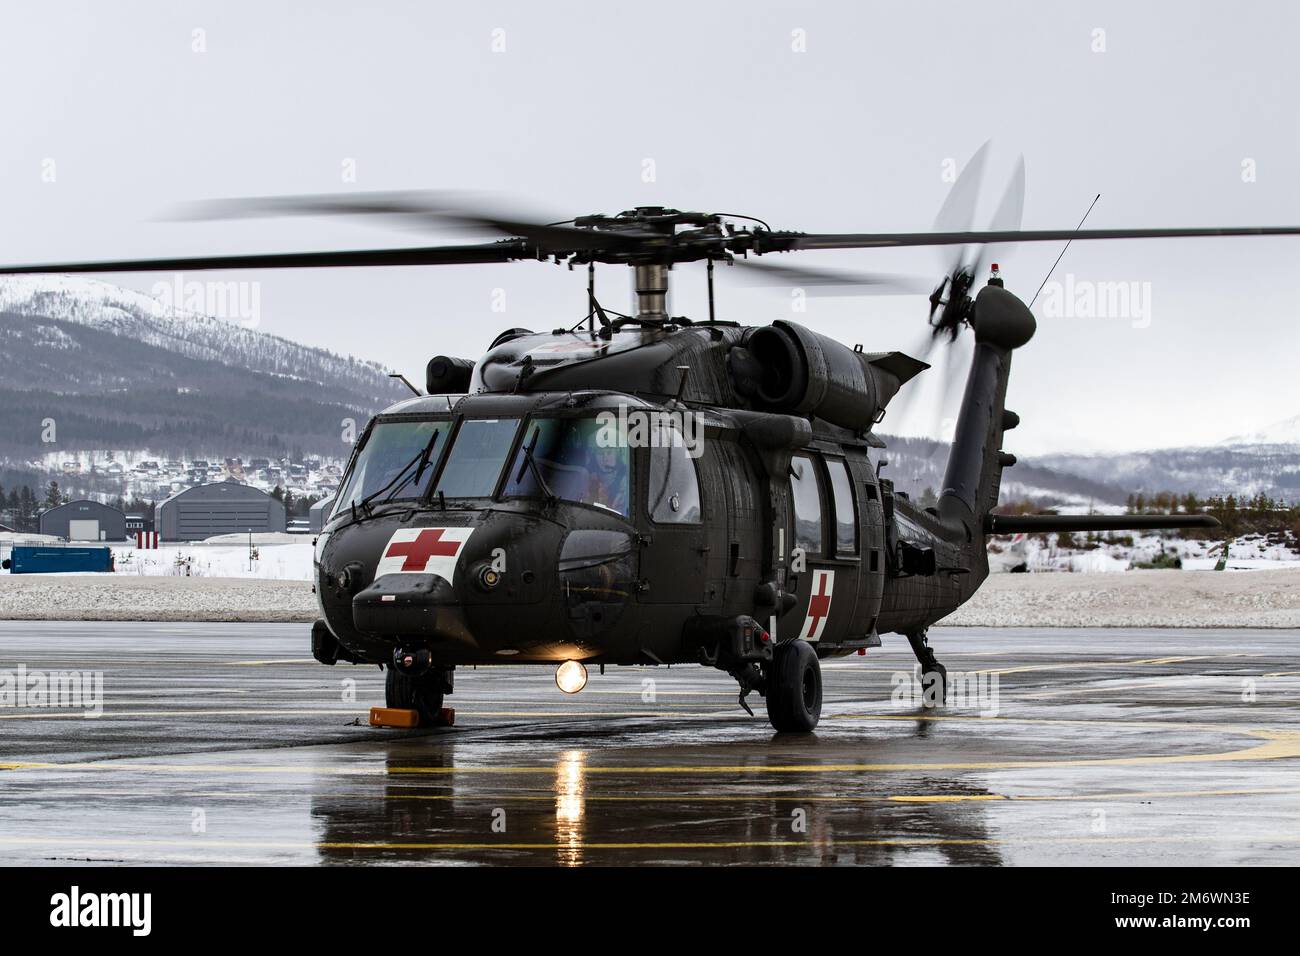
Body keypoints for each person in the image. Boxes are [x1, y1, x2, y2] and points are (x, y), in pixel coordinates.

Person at [583, 444, 629, 516]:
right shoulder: (586, 476)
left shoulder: (625, 479)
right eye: (600, 453)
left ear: (617, 455)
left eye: (609, 452)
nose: (605, 458)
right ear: (594, 456)